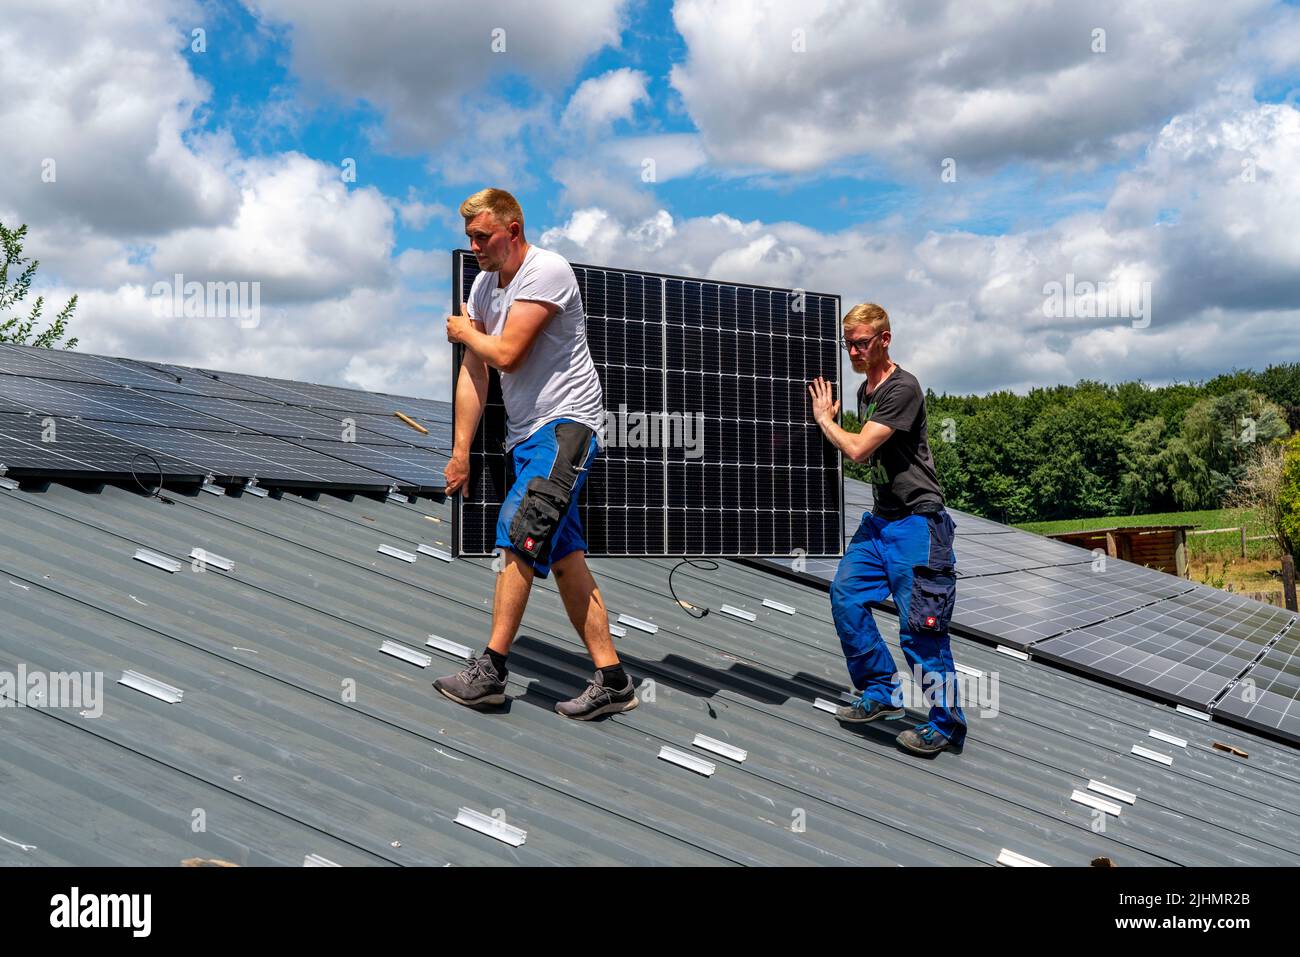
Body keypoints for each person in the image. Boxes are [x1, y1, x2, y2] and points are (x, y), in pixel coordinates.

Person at [434, 187, 637, 720]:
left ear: (513, 231)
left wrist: (463, 332)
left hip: (565, 427)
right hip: (523, 438)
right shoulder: (482, 287)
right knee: (567, 561)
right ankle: (613, 680)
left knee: (517, 536)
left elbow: (506, 352)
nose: (474, 245)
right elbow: (476, 373)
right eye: (469, 237)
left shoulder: (548, 270)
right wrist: (462, 453)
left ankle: (491, 671)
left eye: (482, 235)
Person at [807, 302, 966, 755]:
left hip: (918, 524)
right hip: (879, 522)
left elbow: (857, 450)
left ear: (884, 340)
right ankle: (880, 692)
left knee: (921, 629)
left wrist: (824, 421)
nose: (853, 351)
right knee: (846, 596)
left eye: (861, 343)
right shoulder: (864, 392)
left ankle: (947, 724)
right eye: (848, 344)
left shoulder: (903, 388)